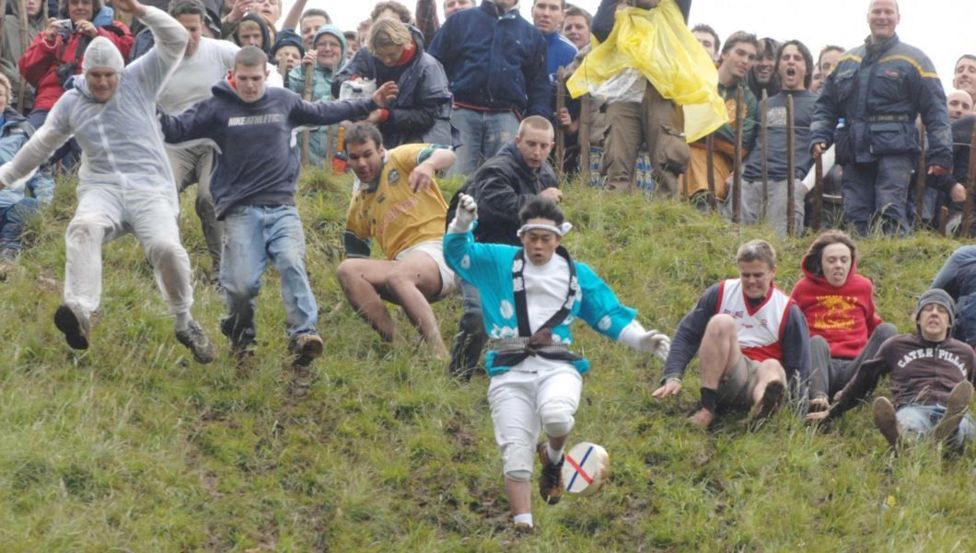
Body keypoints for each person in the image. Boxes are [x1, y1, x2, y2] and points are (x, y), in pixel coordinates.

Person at [0, 0, 215, 362]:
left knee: (166, 249)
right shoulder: (71, 101)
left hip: (150, 186)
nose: (102, 82)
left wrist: (137, 9)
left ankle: (184, 320)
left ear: (120, 71)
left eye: (109, 76)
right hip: (102, 188)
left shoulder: (140, 79)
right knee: (82, 227)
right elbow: (42, 142)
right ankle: (80, 312)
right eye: (96, 75)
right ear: (86, 72)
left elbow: (176, 39)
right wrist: (6, 177)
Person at [159, 46, 398, 366]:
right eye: (243, 79)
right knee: (242, 285)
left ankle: (303, 333)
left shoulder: (283, 101)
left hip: (282, 204)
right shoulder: (216, 109)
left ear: (265, 75)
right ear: (233, 76)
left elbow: (324, 110)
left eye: (256, 78)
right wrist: (148, 106)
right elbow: (176, 130)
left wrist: (371, 102)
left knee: (290, 260)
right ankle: (240, 331)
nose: (249, 85)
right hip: (240, 209)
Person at [444, 193, 670, 531]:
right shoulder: (499, 261)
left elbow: (607, 315)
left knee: (556, 416)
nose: (538, 246)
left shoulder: (577, 275)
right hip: (509, 369)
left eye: (545, 239)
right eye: (532, 238)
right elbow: (458, 254)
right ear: (521, 236)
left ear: (558, 238)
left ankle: (553, 458)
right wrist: (462, 224)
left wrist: (640, 338)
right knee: (516, 459)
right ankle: (525, 528)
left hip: (557, 364)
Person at [810, 0, 952, 236]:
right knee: (855, 213)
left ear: (898, 17)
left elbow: (936, 109)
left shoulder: (916, 60)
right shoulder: (846, 62)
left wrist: (941, 153)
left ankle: (894, 265)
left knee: (890, 208)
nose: (882, 17)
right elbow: (825, 105)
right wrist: (819, 134)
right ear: (867, 17)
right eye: (877, 11)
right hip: (854, 149)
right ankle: (858, 266)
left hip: (896, 150)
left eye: (888, 12)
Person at [445, 116, 560, 378]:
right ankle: (458, 375)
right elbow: (495, 208)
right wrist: (538, 201)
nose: (537, 152)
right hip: (473, 251)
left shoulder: (547, 174)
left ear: (552, 147)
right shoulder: (496, 170)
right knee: (478, 311)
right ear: (517, 141)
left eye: (543, 146)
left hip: (514, 254)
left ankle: (518, 372)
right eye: (531, 144)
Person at [653, 239, 810, 428]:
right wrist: (673, 375)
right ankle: (707, 408)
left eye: (758, 275)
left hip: (761, 376)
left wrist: (798, 418)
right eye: (746, 275)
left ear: (772, 272)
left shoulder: (788, 309)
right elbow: (688, 334)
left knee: (772, 365)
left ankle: (762, 409)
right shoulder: (720, 292)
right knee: (721, 321)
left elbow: (799, 366)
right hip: (729, 371)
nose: (751, 281)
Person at [336, 123, 457, 358]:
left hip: (441, 250)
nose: (361, 163)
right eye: (354, 157)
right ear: (347, 160)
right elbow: (357, 257)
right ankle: (400, 347)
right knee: (347, 271)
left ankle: (439, 355)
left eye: (367, 154)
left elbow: (448, 153)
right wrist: (347, 300)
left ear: (381, 150)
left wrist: (428, 165)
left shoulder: (400, 157)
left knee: (398, 275)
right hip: (403, 264)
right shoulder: (359, 202)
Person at [806, 289, 976, 453]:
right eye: (927, 309)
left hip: (953, 410)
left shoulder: (966, 352)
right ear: (918, 319)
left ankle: (943, 434)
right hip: (914, 408)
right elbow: (864, 379)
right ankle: (909, 441)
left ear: (950, 322)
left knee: (961, 426)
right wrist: (833, 411)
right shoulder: (896, 346)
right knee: (909, 424)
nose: (934, 313)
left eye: (941, 310)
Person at [157, 0, 239, 278]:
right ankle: (169, 268)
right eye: (180, 29)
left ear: (202, 26)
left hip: (214, 143)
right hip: (174, 143)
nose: (187, 37)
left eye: (193, 29)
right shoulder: (154, 61)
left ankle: (222, 270)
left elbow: (265, 70)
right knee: (161, 193)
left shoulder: (221, 51)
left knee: (208, 197)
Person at [428, 0, 550, 176]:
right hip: (461, 113)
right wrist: (442, 105)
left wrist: (535, 122)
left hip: (507, 116)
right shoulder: (458, 22)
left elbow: (539, 86)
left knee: (504, 180)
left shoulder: (533, 35)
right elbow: (433, 66)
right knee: (453, 179)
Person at [589, 0, 693, 195]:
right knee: (617, 164)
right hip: (623, 93)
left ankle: (666, 218)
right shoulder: (619, 14)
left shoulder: (671, 12)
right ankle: (616, 216)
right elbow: (600, 28)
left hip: (660, 92)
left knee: (667, 164)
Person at [790, 230, 897, 412]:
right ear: (820, 262)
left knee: (889, 330)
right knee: (816, 342)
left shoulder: (863, 286)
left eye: (844, 260)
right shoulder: (803, 288)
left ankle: (853, 396)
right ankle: (818, 399)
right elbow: (791, 325)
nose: (838, 265)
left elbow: (873, 323)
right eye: (831, 260)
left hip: (856, 366)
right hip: (822, 364)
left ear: (851, 262)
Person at [19, 0, 133, 167]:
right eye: (74, 3)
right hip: (51, 104)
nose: (79, 7)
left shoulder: (113, 28)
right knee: (24, 146)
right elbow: (27, 70)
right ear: (67, 7)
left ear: (95, 6)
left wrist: (98, 34)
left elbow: (128, 53)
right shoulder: (56, 30)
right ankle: (31, 188)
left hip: (95, 105)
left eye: (85, 3)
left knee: (91, 161)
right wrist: (48, 42)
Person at [727, 40, 816, 235]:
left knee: (778, 246)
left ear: (807, 67)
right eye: (785, 58)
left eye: (797, 58)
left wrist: (804, 186)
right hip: (748, 182)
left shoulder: (818, 105)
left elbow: (826, 149)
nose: (790, 62)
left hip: (787, 183)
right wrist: (739, 172)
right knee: (736, 242)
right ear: (779, 67)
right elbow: (752, 144)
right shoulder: (764, 104)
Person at [332, 18, 453, 149]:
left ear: (406, 44)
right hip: (372, 131)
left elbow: (428, 116)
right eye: (380, 55)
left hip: (419, 135)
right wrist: (352, 82)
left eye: (392, 54)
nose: (387, 60)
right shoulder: (367, 55)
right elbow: (338, 83)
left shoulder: (428, 67)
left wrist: (384, 115)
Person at [683, 31, 760, 203]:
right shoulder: (698, 80)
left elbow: (741, 147)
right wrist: (723, 129)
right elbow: (682, 123)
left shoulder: (748, 99)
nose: (745, 61)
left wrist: (705, 124)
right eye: (740, 53)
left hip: (721, 164)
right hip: (682, 154)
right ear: (724, 53)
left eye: (751, 57)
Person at [0, 74, 54, 278]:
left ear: (8, 98)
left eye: (0, 94)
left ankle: (8, 258)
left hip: (10, 206)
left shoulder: (22, 130)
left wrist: (45, 204)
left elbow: (41, 171)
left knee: (29, 206)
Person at [287, 26, 347, 166]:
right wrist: (304, 71)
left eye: (333, 44)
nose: (327, 48)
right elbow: (290, 99)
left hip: (340, 150)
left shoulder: (351, 73)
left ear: (343, 49)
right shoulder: (299, 72)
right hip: (304, 154)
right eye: (321, 44)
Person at [1, 0, 45, 112]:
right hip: (12, 100)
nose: (31, 1)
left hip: (40, 101)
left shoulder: (48, 27)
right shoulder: (5, 24)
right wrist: (16, 80)